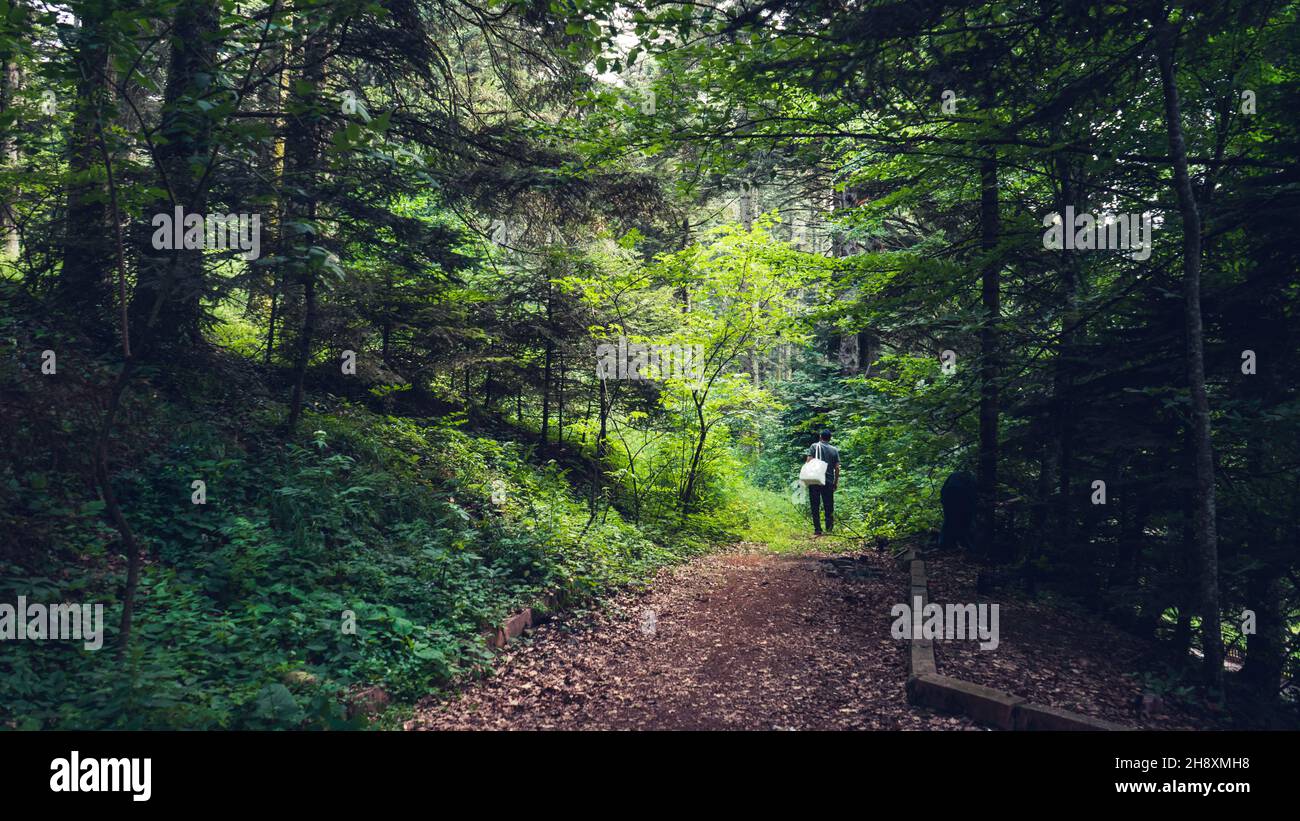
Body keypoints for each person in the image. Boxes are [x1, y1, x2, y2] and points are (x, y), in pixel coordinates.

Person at [804, 430, 840, 536]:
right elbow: (837, 468)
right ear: (830, 438)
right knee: (829, 505)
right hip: (828, 481)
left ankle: (817, 529)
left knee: (815, 505)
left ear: (820, 437)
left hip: (815, 480)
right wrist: (835, 481)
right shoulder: (834, 450)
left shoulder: (814, 446)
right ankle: (829, 528)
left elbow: (809, 461)